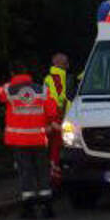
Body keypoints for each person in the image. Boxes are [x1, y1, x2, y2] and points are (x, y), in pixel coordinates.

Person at [0, 62, 59, 219]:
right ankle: (47, 206)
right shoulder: (42, 90)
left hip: (19, 140)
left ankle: (28, 208)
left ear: (12, 73)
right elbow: (51, 111)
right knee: (42, 171)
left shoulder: (10, 90)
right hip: (39, 138)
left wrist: (13, 83)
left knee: (25, 172)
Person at [43, 53, 70, 189]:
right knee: (58, 152)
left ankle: (55, 181)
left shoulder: (49, 79)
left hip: (53, 120)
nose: (68, 66)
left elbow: (48, 100)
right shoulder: (64, 78)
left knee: (54, 153)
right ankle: (56, 182)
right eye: (66, 63)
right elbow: (60, 100)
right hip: (62, 119)